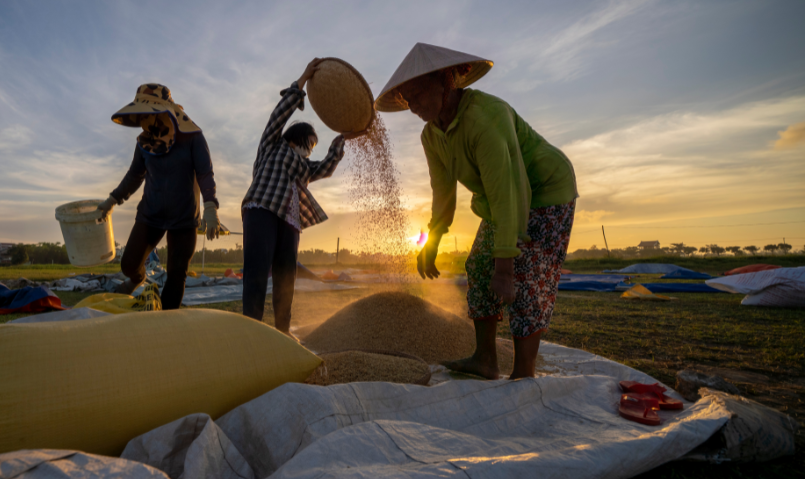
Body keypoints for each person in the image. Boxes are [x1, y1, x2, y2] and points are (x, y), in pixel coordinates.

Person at [375, 43, 579, 379]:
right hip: (502, 198)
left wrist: (505, 267)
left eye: (418, 94)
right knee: (479, 265)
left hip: (545, 190)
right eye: (406, 100)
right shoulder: (432, 136)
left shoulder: (485, 118)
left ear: (447, 81)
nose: (413, 106)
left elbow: (508, 190)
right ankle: (485, 359)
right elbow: (442, 193)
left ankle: (523, 372)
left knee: (526, 277)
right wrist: (431, 242)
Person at [242, 58, 367, 336]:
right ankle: (250, 332)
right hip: (262, 209)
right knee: (257, 272)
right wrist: (302, 79)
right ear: (294, 138)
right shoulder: (272, 146)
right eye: (309, 142)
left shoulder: (304, 167)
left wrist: (343, 139)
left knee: (287, 277)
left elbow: (325, 168)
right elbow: (279, 114)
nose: (311, 149)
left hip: (289, 222)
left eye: (313, 146)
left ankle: (282, 333)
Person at [96, 83, 224, 310]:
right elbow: (135, 175)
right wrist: (112, 200)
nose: (143, 120)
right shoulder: (144, 143)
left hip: (184, 217)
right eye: (141, 115)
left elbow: (205, 173)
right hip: (151, 214)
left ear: (165, 110)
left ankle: (166, 322)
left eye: (148, 113)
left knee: (177, 274)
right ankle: (138, 280)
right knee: (129, 264)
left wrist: (210, 206)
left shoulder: (192, 136)